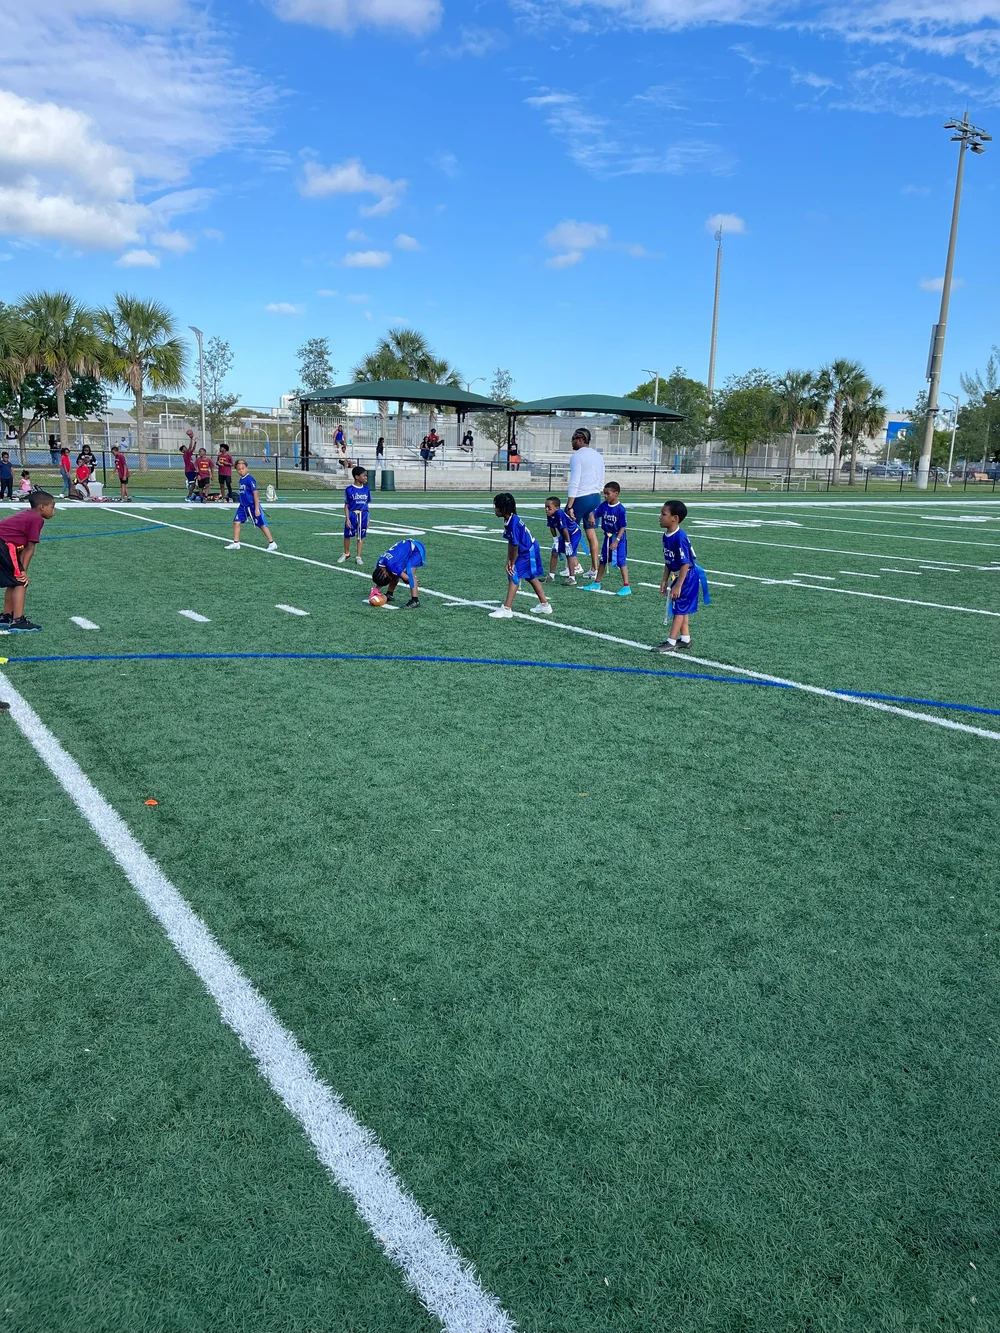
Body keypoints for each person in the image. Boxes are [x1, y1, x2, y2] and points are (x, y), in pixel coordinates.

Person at [657, 499, 710, 653]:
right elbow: (668, 560)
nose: (660, 516)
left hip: (686, 576)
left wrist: (679, 585)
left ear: (675, 518)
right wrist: (664, 579)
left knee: (679, 610)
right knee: (683, 608)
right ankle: (685, 639)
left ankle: (671, 641)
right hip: (679, 575)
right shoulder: (666, 535)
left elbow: (685, 563)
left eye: (663, 514)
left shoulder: (679, 537)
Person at [488, 492, 551, 619]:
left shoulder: (513, 523)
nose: (494, 509)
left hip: (528, 551)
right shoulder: (509, 519)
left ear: (503, 508)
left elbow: (515, 546)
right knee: (530, 577)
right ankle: (545, 605)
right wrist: (508, 560)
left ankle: (506, 609)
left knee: (513, 574)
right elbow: (511, 542)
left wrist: (512, 562)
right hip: (526, 550)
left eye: (496, 506)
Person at [0, 489, 55, 632]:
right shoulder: (37, 519)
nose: (53, 511)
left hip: (4, 545)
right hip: (3, 545)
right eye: (52, 507)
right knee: (20, 580)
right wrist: (23, 571)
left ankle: (6, 616)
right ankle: (18, 620)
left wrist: (20, 569)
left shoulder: (27, 515)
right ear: (42, 507)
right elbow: (30, 548)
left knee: (13, 578)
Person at [566, 426, 605, 578]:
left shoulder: (577, 456)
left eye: (574, 439)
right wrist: (598, 492)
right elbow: (602, 477)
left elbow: (575, 481)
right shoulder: (598, 456)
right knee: (591, 532)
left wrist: (570, 505)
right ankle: (594, 569)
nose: (572, 442)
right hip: (595, 496)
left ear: (581, 440)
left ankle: (574, 565)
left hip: (581, 497)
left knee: (567, 531)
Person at [584, 481, 631, 596]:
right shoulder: (604, 505)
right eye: (604, 493)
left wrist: (617, 541)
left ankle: (626, 586)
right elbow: (595, 512)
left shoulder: (620, 509)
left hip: (618, 538)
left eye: (608, 493)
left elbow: (622, 527)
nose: (605, 496)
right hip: (607, 537)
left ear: (616, 494)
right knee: (603, 560)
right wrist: (591, 515)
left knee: (621, 561)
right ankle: (597, 582)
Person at [225, 459, 277, 551]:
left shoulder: (250, 479)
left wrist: (257, 508)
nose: (241, 470)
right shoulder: (241, 480)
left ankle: (272, 543)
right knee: (236, 522)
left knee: (261, 524)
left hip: (252, 506)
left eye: (243, 468)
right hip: (243, 507)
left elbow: (255, 494)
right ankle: (236, 543)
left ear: (247, 468)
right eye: (239, 469)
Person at [371, 538, 424, 608]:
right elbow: (384, 576)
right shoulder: (380, 565)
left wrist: (410, 580)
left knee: (410, 573)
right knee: (394, 573)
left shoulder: (392, 566)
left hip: (416, 549)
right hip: (405, 548)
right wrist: (376, 589)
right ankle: (389, 594)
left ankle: (415, 600)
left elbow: (408, 578)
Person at [544, 495, 583, 583]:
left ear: (556, 508)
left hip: (573, 533)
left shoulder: (559, 513)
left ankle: (572, 578)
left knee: (570, 553)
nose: (546, 509)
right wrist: (555, 540)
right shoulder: (550, 514)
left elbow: (565, 529)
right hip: (566, 534)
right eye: (545, 507)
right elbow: (552, 527)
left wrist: (568, 543)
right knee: (554, 551)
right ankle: (551, 575)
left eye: (549, 507)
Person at [339, 465, 370, 566]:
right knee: (347, 534)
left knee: (360, 536)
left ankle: (358, 556)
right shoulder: (349, 489)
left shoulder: (366, 489)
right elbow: (346, 505)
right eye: (364, 475)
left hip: (363, 515)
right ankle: (346, 553)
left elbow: (367, 504)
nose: (366, 477)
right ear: (357, 477)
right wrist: (347, 518)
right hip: (352, 514)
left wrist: (368, 518)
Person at [181, 434, 197, 498]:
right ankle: (188, 497)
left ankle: (188, 482)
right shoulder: (185, 455)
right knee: (193, 484)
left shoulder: (189, 454)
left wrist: (195, 442)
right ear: (182, 451)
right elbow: (190, 448)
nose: (186, 448)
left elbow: (193, 449)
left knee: (195, 483)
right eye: (184, 448)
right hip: (189, 471)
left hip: (193, 471)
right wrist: (191, 439)